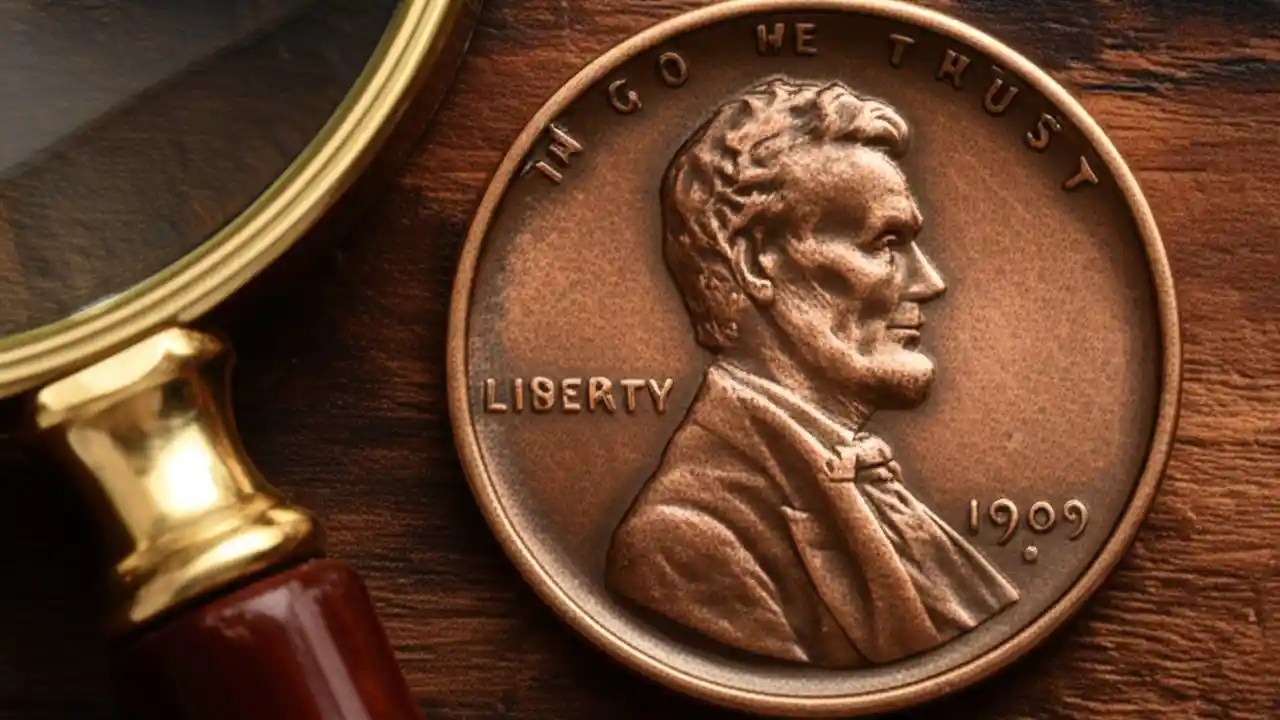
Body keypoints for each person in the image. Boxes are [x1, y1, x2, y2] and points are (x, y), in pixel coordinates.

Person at [605, 78, 1019, 668]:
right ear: (754, 261)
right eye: (886, 242)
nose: (929, 282)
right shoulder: (683, 539)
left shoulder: (865, 483)